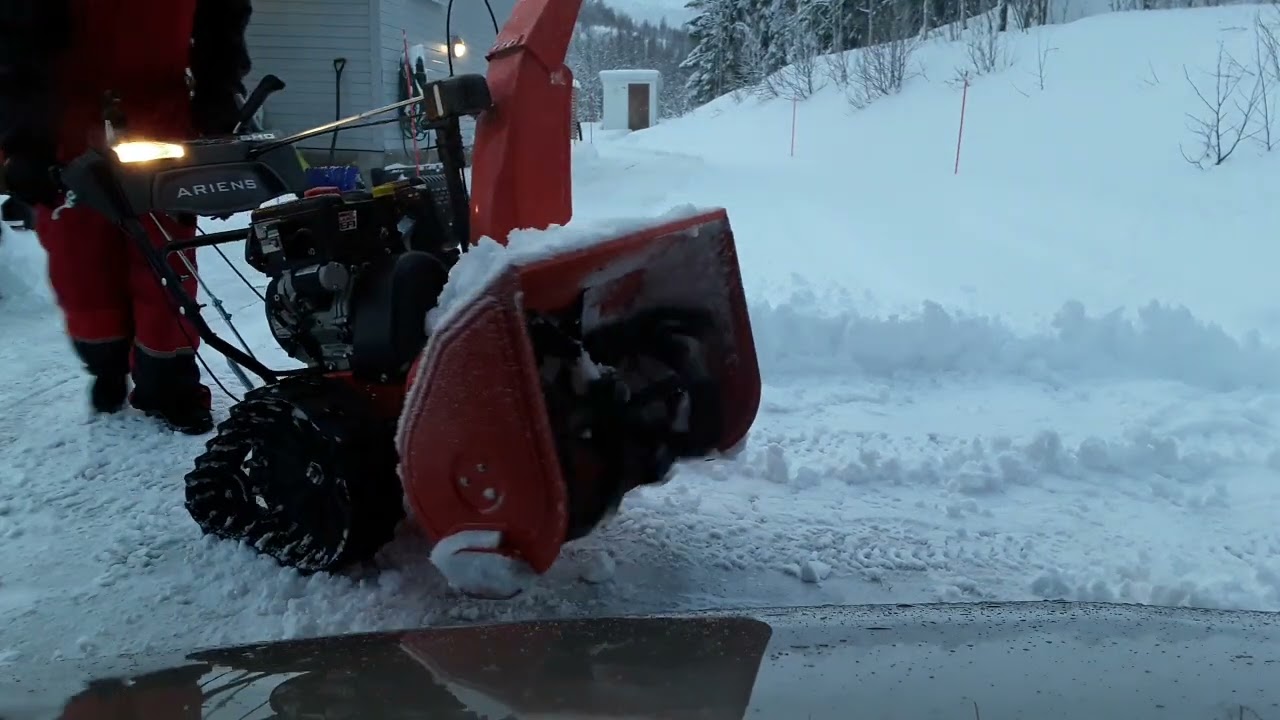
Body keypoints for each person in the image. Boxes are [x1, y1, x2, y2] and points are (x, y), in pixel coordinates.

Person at [0, 0, 253, 434]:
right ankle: (107, 365)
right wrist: (23, 142)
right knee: (80, 262)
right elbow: (16, 45)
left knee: (165, 254)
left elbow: (222, 26)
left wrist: (218, 100)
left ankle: (169, 383)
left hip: (162, 113)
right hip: (63, 120)